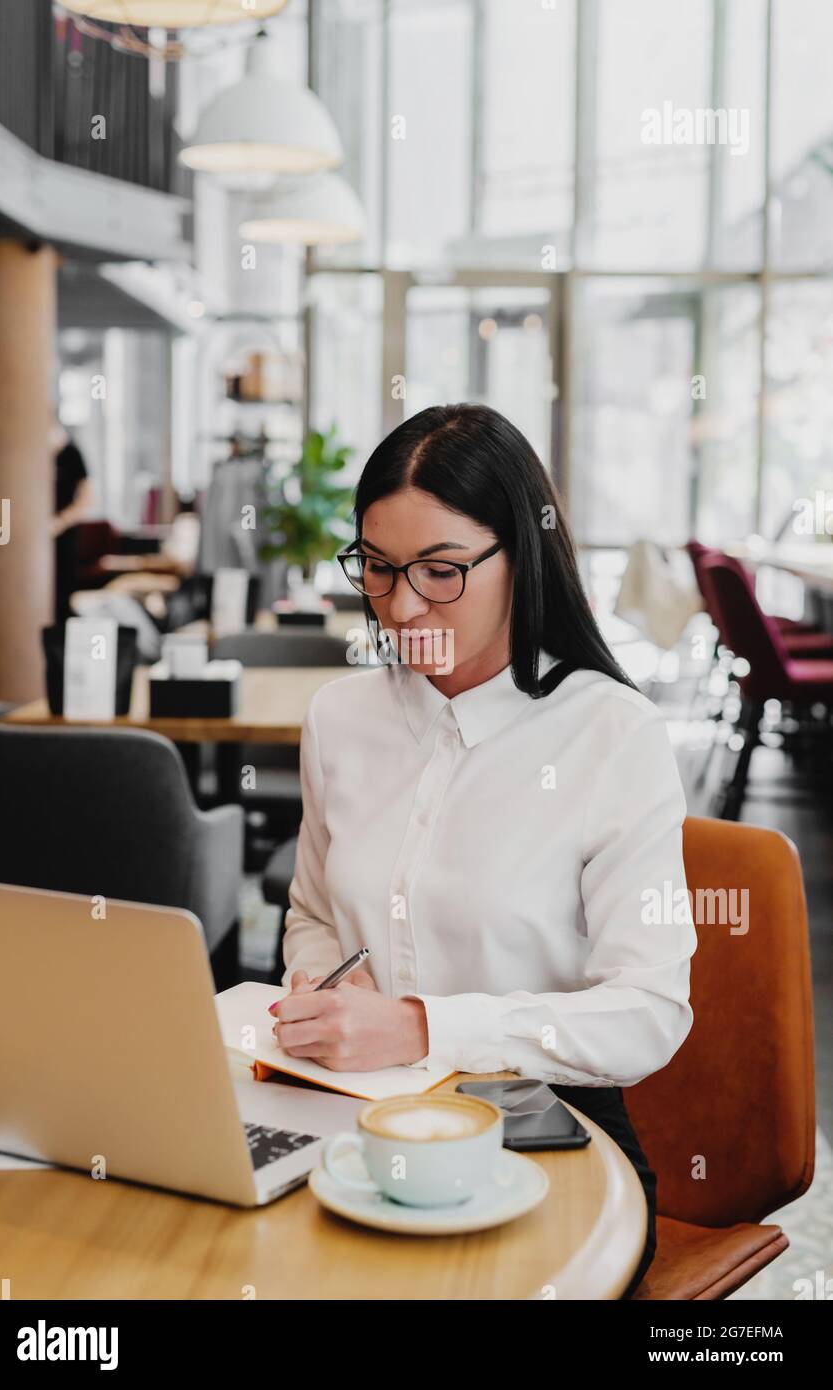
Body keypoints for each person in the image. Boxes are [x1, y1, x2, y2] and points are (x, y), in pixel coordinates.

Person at [270, 402, 697, 1298]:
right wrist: (323, 980)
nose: (402, 605)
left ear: (521, 556)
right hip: (359, 1113)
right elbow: (311, 910)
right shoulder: (341, 719)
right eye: (377, 569)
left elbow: (649, 1010)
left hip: (547, 1129)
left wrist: (425, 1027)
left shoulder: (609, 735)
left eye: (441, 570)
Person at [50, 419, 94, 624]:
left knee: (61, 594)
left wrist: (60, 522)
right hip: (35, 538)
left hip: (63, 534)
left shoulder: (71, 454)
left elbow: (87, 499)